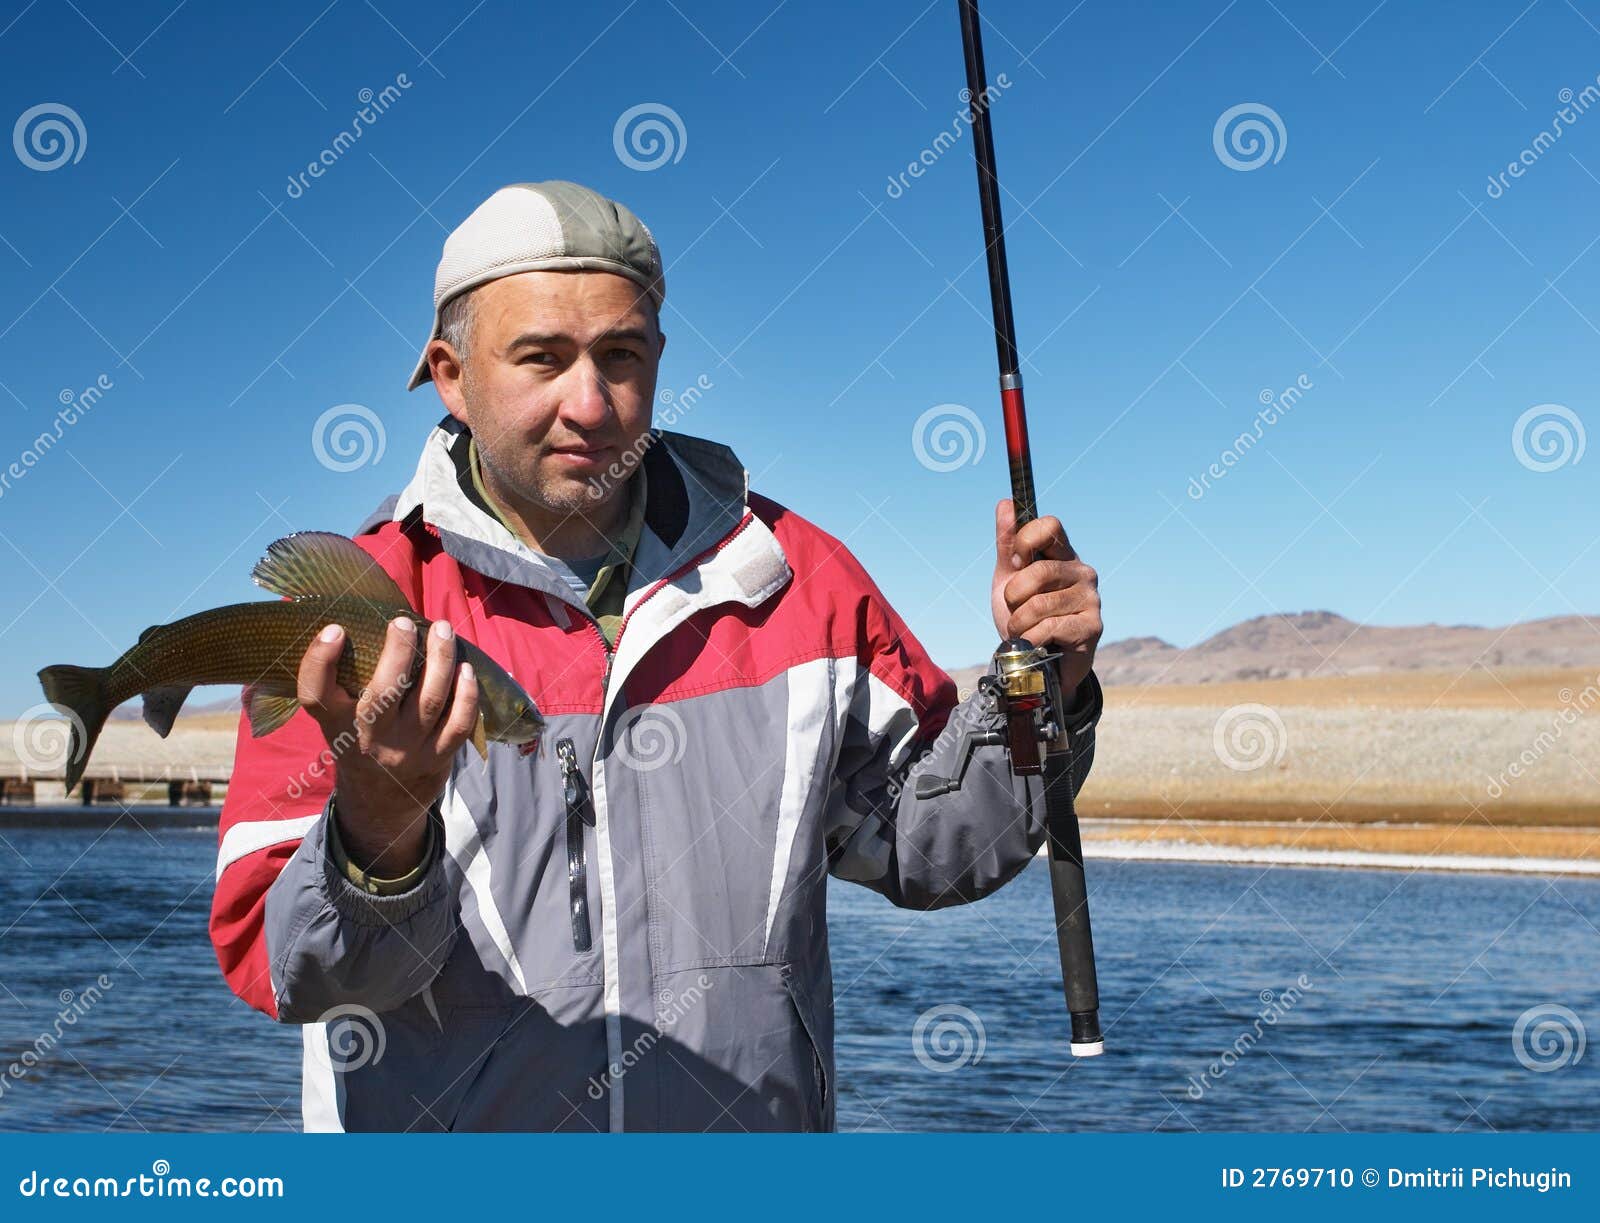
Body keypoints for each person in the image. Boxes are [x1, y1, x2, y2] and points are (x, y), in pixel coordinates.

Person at [209, 180, 1104, 1132]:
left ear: (660, 359)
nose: (589, 403)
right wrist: (377, 834)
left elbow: (933, 848)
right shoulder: (351, 617)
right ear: (452, 376)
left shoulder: (799, 576)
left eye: (621, 356)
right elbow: (290, 970)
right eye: (542, 358)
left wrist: (1044, 683)